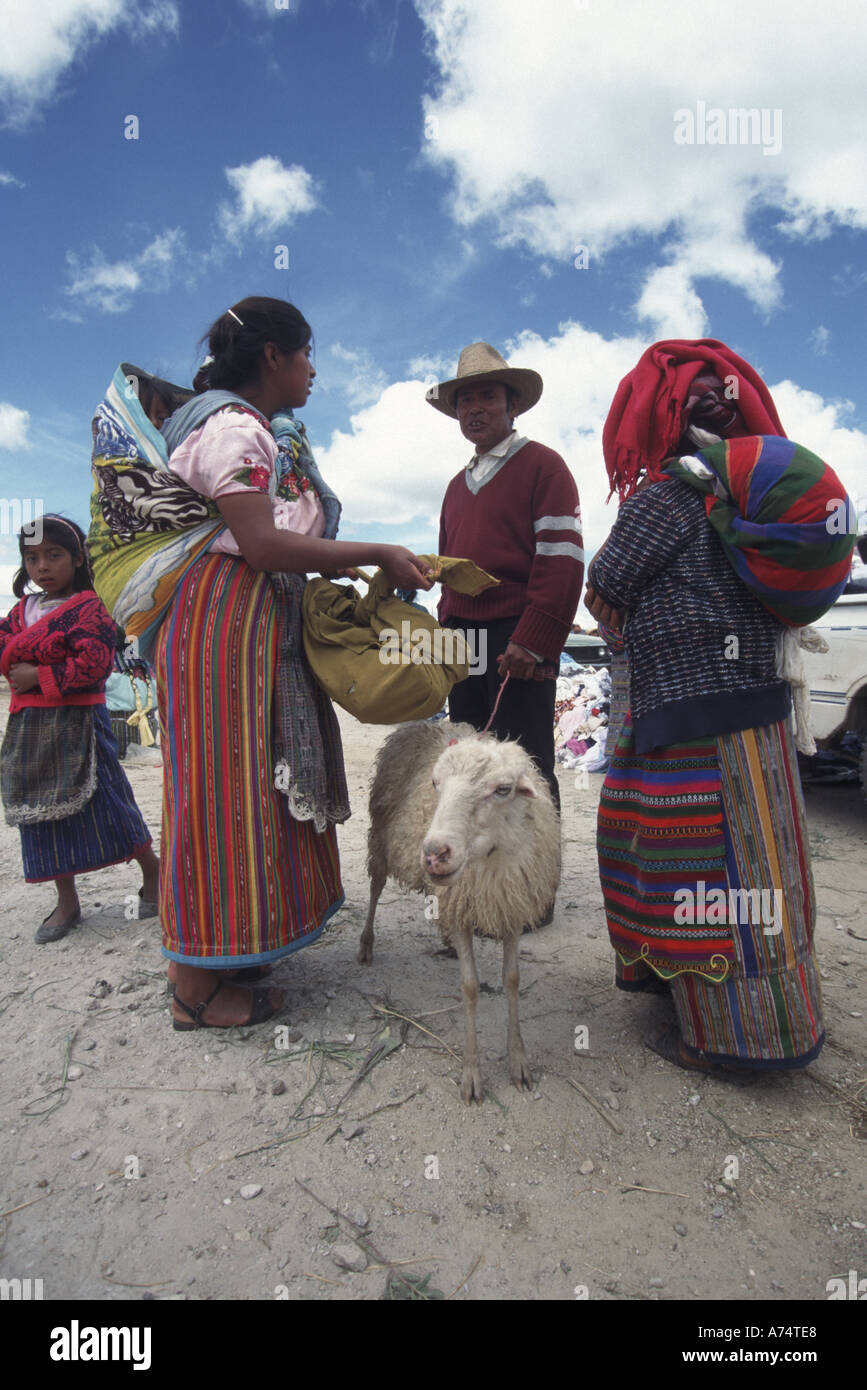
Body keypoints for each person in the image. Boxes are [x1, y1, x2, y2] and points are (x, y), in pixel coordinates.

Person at [89, 296, 433, 1030]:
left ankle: (233, 951)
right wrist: (376, 550)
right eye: (306, 353)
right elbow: (263, 544)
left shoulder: (246, 429)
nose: (313, 370)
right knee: (220, 790)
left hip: (236, 619)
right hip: (223, 622)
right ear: (273, 356)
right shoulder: (234, 427)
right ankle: (193, 989)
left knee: (251, 785)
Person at [586, 338, 852, 1074]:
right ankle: (771, 1016)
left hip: (682, 718)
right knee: (759, 861)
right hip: (755, 715)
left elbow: (607, 577)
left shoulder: (668, 497)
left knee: (693, 864)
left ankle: (730, 1039)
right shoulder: (752, 503)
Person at [427, 342, 583, 822]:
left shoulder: (543, 465)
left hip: (516, 636)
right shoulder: (456, 485)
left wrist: (534, 641)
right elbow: (448, 570)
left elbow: (562, 558)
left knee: (525, 765)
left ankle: (536, 889)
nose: (474, 409)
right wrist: (444, 632)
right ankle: (482, 883)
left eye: (487, 397)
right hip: (466, 641)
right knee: (470, 765)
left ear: (513, 405)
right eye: (464, 401)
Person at [0, 517, 159, 943]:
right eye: (32, 558)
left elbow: (95, 664)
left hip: (78, 721)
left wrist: (39, 674)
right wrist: (28, 665)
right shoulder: (21, 611)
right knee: (40, 811)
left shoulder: (93, 607)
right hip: (27, 725)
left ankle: (155, 874)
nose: (42, 567)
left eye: (53, 555)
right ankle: (67, 900)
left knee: (106, 797)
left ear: (76, 558)